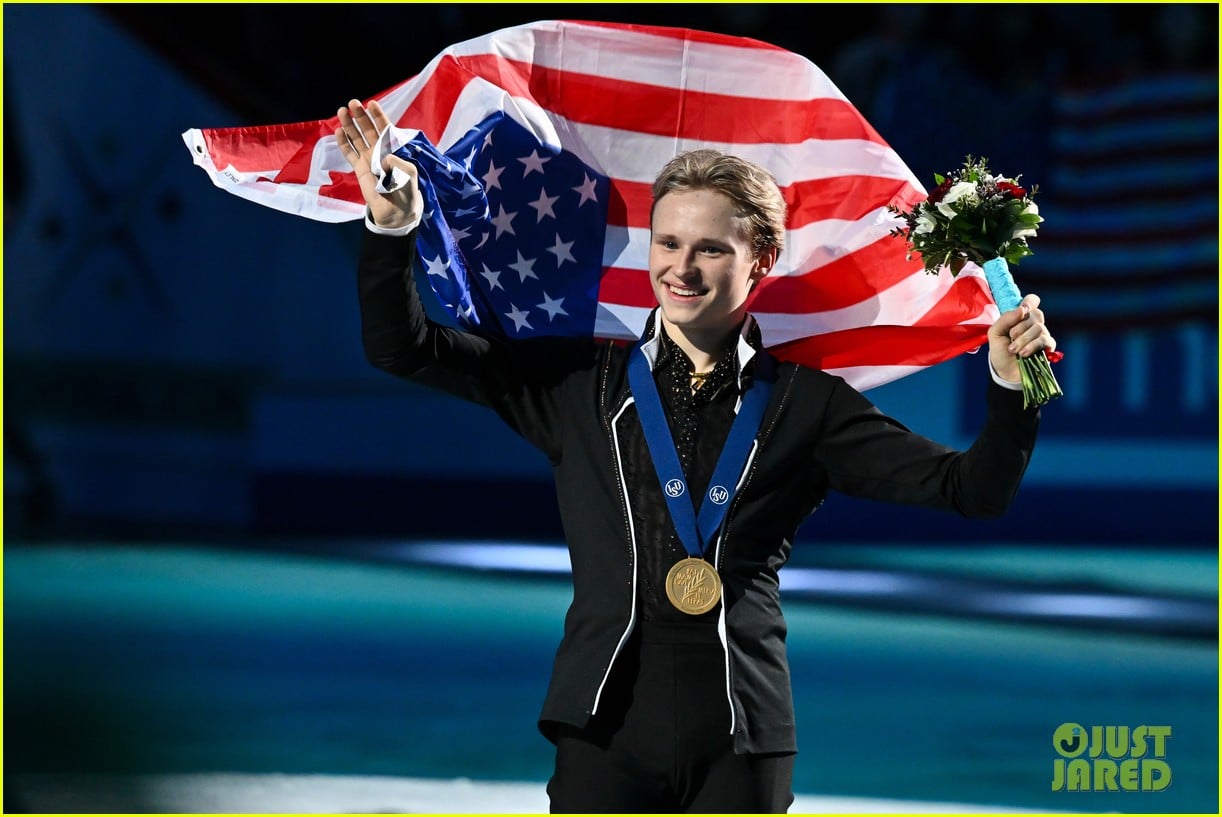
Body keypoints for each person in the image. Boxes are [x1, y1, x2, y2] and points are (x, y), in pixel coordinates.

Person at [335, 98, 1056, 814]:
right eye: (667, 243)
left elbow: (972, 489)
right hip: (602, 726)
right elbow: (405, 347)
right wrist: (393, 226)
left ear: (762, 259)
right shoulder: (578, 386)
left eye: (710, 248)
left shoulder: (809, 408)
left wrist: (1007, 384)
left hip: (740, 740)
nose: (681, 268)